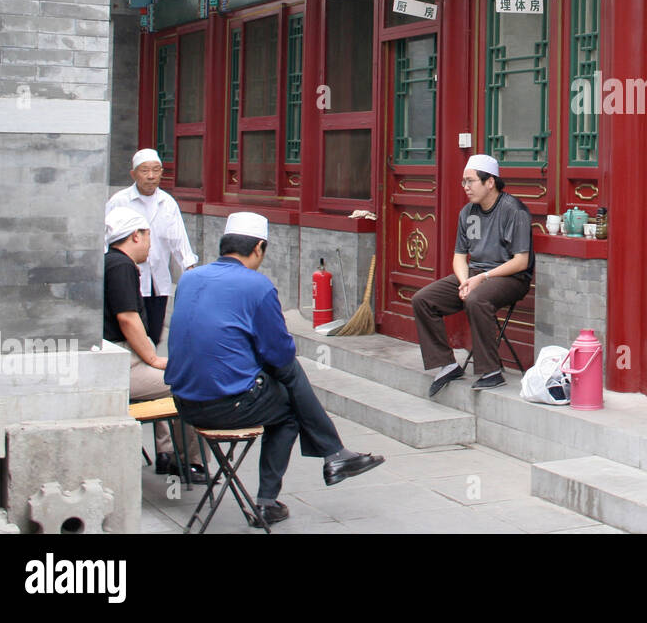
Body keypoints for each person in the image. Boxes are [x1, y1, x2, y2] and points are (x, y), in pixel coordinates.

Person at [167, 212, 384, 527]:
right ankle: (276, 495)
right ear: (258, 248)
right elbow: (280, 353)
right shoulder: (257, 285)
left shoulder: (189, 279)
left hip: (184, 403)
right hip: (227, 406)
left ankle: (334, 454)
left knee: (284, 379)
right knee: (290, 401)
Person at [412, 154, 534, 396]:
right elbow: (459, 256)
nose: (465, 187)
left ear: (490, 182)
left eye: (470, 181)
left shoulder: (514, 210)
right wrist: (465, 281)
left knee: (476, 298)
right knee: (423, 299)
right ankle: (446, 364)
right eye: (463, 182)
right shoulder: (467, 212)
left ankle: (491, 371)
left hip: (510, 277)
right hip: (474, 275)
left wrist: (481, 279)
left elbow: (521, 262)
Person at [103, 208, 205, 482]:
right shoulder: (120, 265)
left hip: (121, 357)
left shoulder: (111, 262)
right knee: (185, 382)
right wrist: (152, 358)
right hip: (123, 361)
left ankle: (169, 455)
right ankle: (192, 461)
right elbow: (127, 317)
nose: (151, 244)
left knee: (165, 385)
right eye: (148, 236)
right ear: (135, 236)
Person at [105, 149, 197, 345]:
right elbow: (106, 238)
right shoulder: (119, 201)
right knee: (130, 331)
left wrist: (189, 269)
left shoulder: (167, 203)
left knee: (154, 334)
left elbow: (178, 239)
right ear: (133, 174)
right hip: (127, 278)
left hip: (158, 281)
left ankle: (150, 366)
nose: (151, 176)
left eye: (156, 170)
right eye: (145, 170)